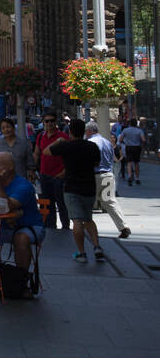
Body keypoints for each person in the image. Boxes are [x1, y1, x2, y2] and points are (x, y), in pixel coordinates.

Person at [0, 151, 45, 292]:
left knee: (21, 239)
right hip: (4, 226)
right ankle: (3, 276)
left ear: (10, 167)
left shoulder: (23, 185)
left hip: (30, 226)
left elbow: (6, 206)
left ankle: (20, 281)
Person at [48, 119, 108, 263]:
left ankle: (82, 253)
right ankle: (97, 246)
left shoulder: (66, 146)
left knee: (77, 221)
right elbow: (97, 163)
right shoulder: (92, 146)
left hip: (72, 187)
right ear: (84, 131)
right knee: (88, 219)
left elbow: (46, 151)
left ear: (70, 131)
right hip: (89, 186)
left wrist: (59, 141)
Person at [86, 122, 130, 239]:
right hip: (108, 175)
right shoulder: (107, 142)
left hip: (95, 176)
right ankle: (123, 227)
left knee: (86, 202)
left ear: (89, 131)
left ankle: (83, 228)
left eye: (86, 131)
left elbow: (93, 157)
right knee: (110, 202)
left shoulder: (92, 142)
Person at [34, 113, 70, 231]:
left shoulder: (63, 137)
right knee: (48, 203)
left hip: (59, 175)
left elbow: (70, 155)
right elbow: (37, 153)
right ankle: (51, 227)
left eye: (52, 120)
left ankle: (65, 226)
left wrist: (64, 171)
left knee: (61, 203)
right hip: (44, 175)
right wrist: (33, 169)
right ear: (43, 123)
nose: (49, 123)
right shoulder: (40, 136)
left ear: (56, 122)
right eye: (47, 121)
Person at [0, 117, 35, 182]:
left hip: (20, 181)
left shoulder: (23, 144)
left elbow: (30, 163)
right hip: (2, 181)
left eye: (8, 127)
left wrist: (31, 174)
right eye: (3, 128)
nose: (6, 129)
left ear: (13, 128)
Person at [119, 118, 145, 185]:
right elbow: (143, 139)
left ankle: (130, 176)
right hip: (137, 147)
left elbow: (120, 139)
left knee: (129, 162)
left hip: (129, 147)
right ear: (136, 124)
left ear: (130, 123)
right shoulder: (139, 131)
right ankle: (137, 178)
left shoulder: (125, 130)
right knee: (136, 162)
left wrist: (124, 142)